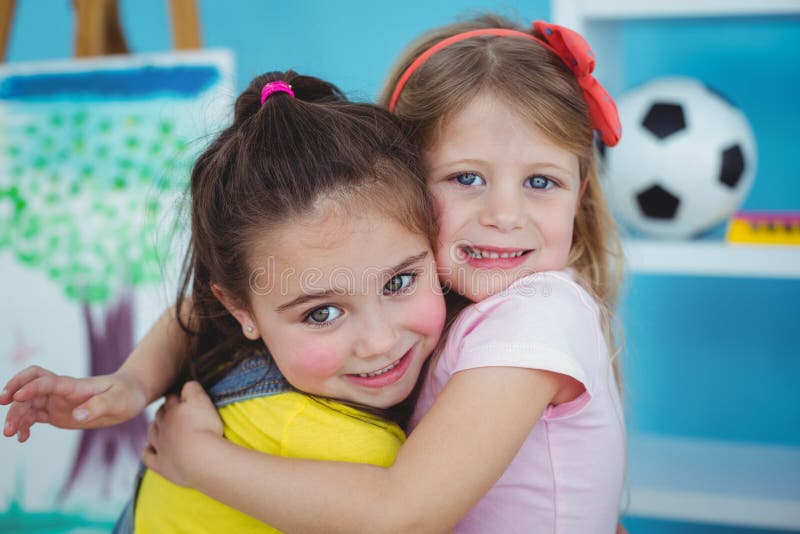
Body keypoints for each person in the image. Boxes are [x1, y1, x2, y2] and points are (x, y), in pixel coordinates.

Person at [3, 15, 627, 533]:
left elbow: (404, 512)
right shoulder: (445, 288)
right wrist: (131, 385)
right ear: (411, 187)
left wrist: (200, 461)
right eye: (466, 178)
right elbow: (202, 314)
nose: (502, 216)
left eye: (541, 182)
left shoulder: (537, 314)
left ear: (582, 196)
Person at [2, 70, 446, 533]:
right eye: (322, 313)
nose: (378, 341)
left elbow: (193, 312)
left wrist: (134, 382)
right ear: (240, 311)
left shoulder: (262, 313)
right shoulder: (361, 455)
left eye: (398, 283)